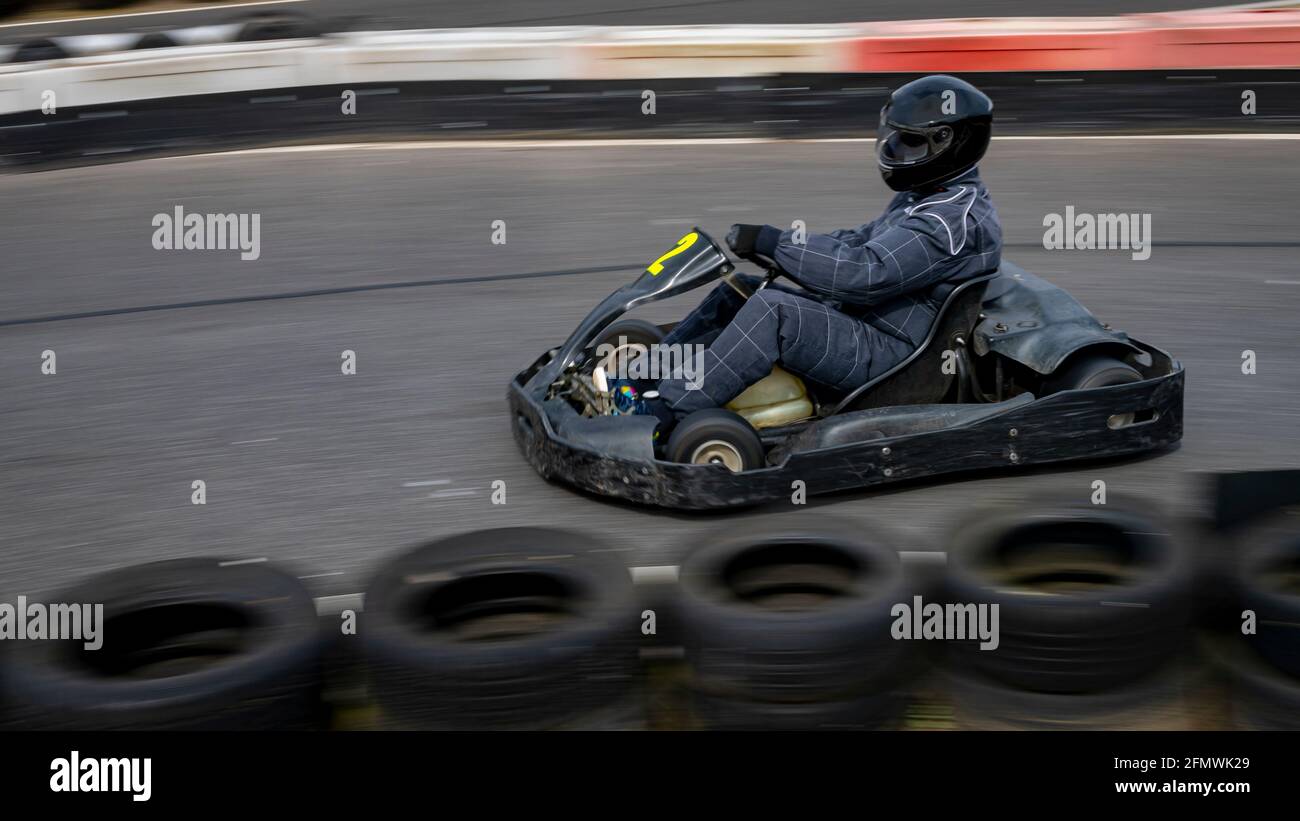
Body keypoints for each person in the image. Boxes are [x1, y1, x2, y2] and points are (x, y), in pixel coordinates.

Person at [613, 74, 1003, 435]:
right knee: (739, 292)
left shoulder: (949, 224)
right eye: (895, 137)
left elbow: (864, 274)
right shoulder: (927, 197)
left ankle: (662, 413)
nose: (895, 148)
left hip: (892, 361)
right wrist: (784, 246)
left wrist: (775, 244)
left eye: (910, 142)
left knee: (775, 312)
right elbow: (856, 241)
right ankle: (642, 377)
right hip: (867, 325)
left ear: (949, 143)